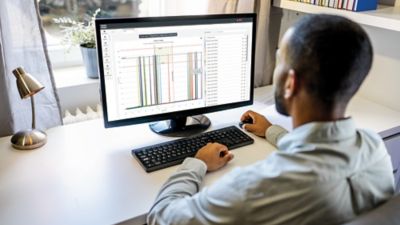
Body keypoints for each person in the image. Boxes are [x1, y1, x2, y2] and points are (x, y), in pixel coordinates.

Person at [147, 14, 395, 225]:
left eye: (279, 61)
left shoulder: (256, 187)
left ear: (290, 83)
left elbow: (161, 217)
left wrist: (197, 163)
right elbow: (319, 153)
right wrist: (271, 131)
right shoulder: (374, 148)